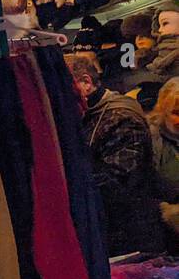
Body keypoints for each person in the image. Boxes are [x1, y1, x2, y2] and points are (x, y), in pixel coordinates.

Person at [67, 51, 163, 256]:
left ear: (86, 82)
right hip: (109, 230)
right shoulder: (83, 115)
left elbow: (120, 180)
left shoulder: (120, 117)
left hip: (129, 234)